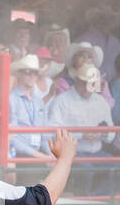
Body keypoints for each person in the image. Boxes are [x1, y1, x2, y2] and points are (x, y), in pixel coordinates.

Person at [47, 62, 114, 194]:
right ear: (76, 81)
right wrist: (81, 135)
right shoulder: (62, 101)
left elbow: (112, 132)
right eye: (85, 82)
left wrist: (105, 134)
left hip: (97, 152)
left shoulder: (101, 102)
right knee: (86, 170)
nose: (88, 87)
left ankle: (93, 199)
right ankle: (86, 200)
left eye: (92, 83)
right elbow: (52, 129)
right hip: (72, 152)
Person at [8, 54, 50, 159]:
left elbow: (45, 133)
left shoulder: (39, 102)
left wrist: (51, 153)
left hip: (39, 153)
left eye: (35, 73)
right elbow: (12, 137)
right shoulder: (10, 99)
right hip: (19, 154)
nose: (32, 76)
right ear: (19, 74)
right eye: (27, 72)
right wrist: (38, 155)